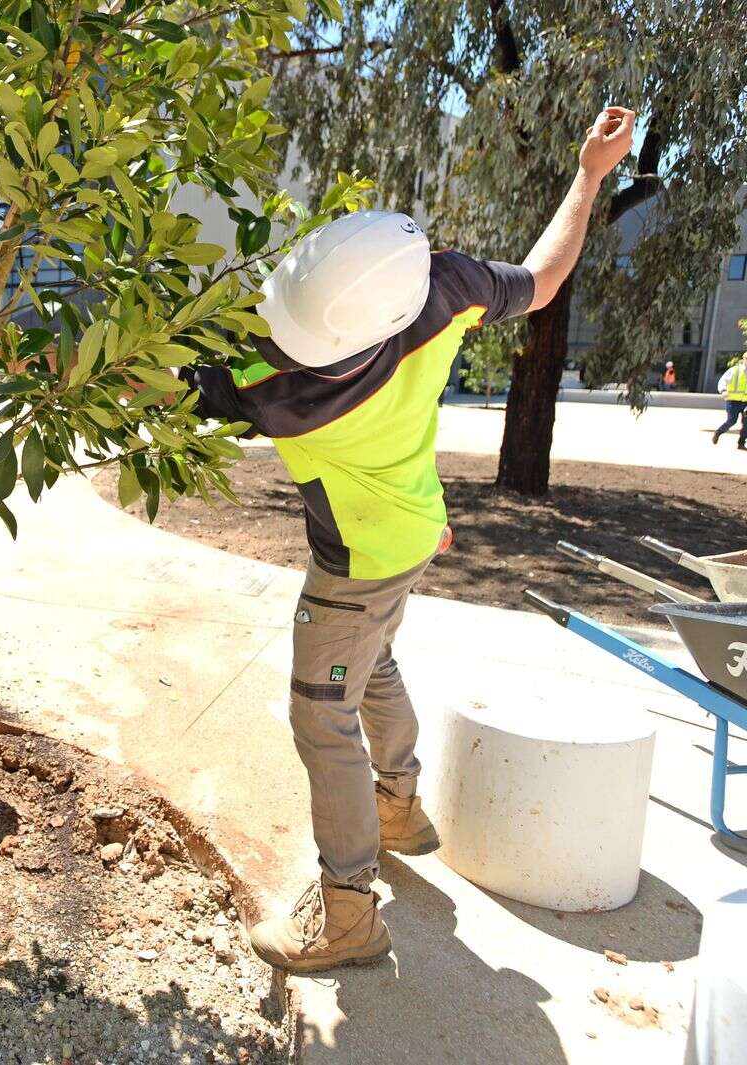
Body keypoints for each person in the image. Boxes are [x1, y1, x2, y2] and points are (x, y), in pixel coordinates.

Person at [181, 106, 635, 973]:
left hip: (355, 560)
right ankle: (399, 808)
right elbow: (543, 275)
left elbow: (138, 381)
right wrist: (589, 174)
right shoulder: (446, 286)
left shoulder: (269, 386)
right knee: (375, 658)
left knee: (323, 712)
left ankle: (348, 913)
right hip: (417, 532)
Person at [712, 356, 747, 449]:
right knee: (732, 421)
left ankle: (741, 443)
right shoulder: (734, 370)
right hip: (732, 401)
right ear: (744, 359)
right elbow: (723, 380)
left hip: (745, 402)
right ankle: (718, 432)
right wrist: (723, 390)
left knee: (746, 423)